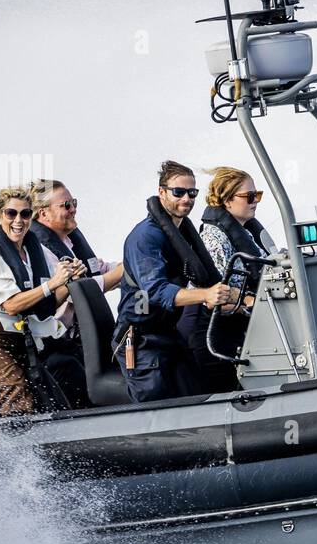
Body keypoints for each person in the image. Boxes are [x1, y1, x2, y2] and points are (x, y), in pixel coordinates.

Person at [113, 160, 234, 403]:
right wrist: (206, 295)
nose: (186, 198)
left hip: (169, 336)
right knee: (158, 409)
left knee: (198, 394)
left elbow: (209, 280)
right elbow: (157, 291)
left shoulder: (181, 233)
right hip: (141, 342)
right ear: (162, 192)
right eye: (178, 192)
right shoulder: (144, 237)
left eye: (192, 193)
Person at [0, 187, 89, 416]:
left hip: (24, 341)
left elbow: (47, 302)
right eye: (12, 213)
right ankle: (12, 452)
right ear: (0, 214)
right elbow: (10, 305)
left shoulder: (33, 248)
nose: (18, 221)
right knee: (19, 404)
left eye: (25, 214)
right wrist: (53, 284)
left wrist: (69, 280)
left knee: (53, 399)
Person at [26, 179, 125, 407]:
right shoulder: (42, 253)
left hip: (82, 344)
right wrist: (121, 273)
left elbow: (102, 269)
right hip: (55, 348)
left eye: (74, 203)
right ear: (43, 213)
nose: (73, 209)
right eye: (66, 205)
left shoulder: (70, 243)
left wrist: (134, 263)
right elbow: (78, 291)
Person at [189, 166, 276, 390]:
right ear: (227, 201)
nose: (255, 201)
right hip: (215, 339)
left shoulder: (248, 233)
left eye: (257, 195)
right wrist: (250, 301)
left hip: (240, 333)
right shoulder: (213, 240)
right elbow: (215, 297)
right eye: (249, 196)